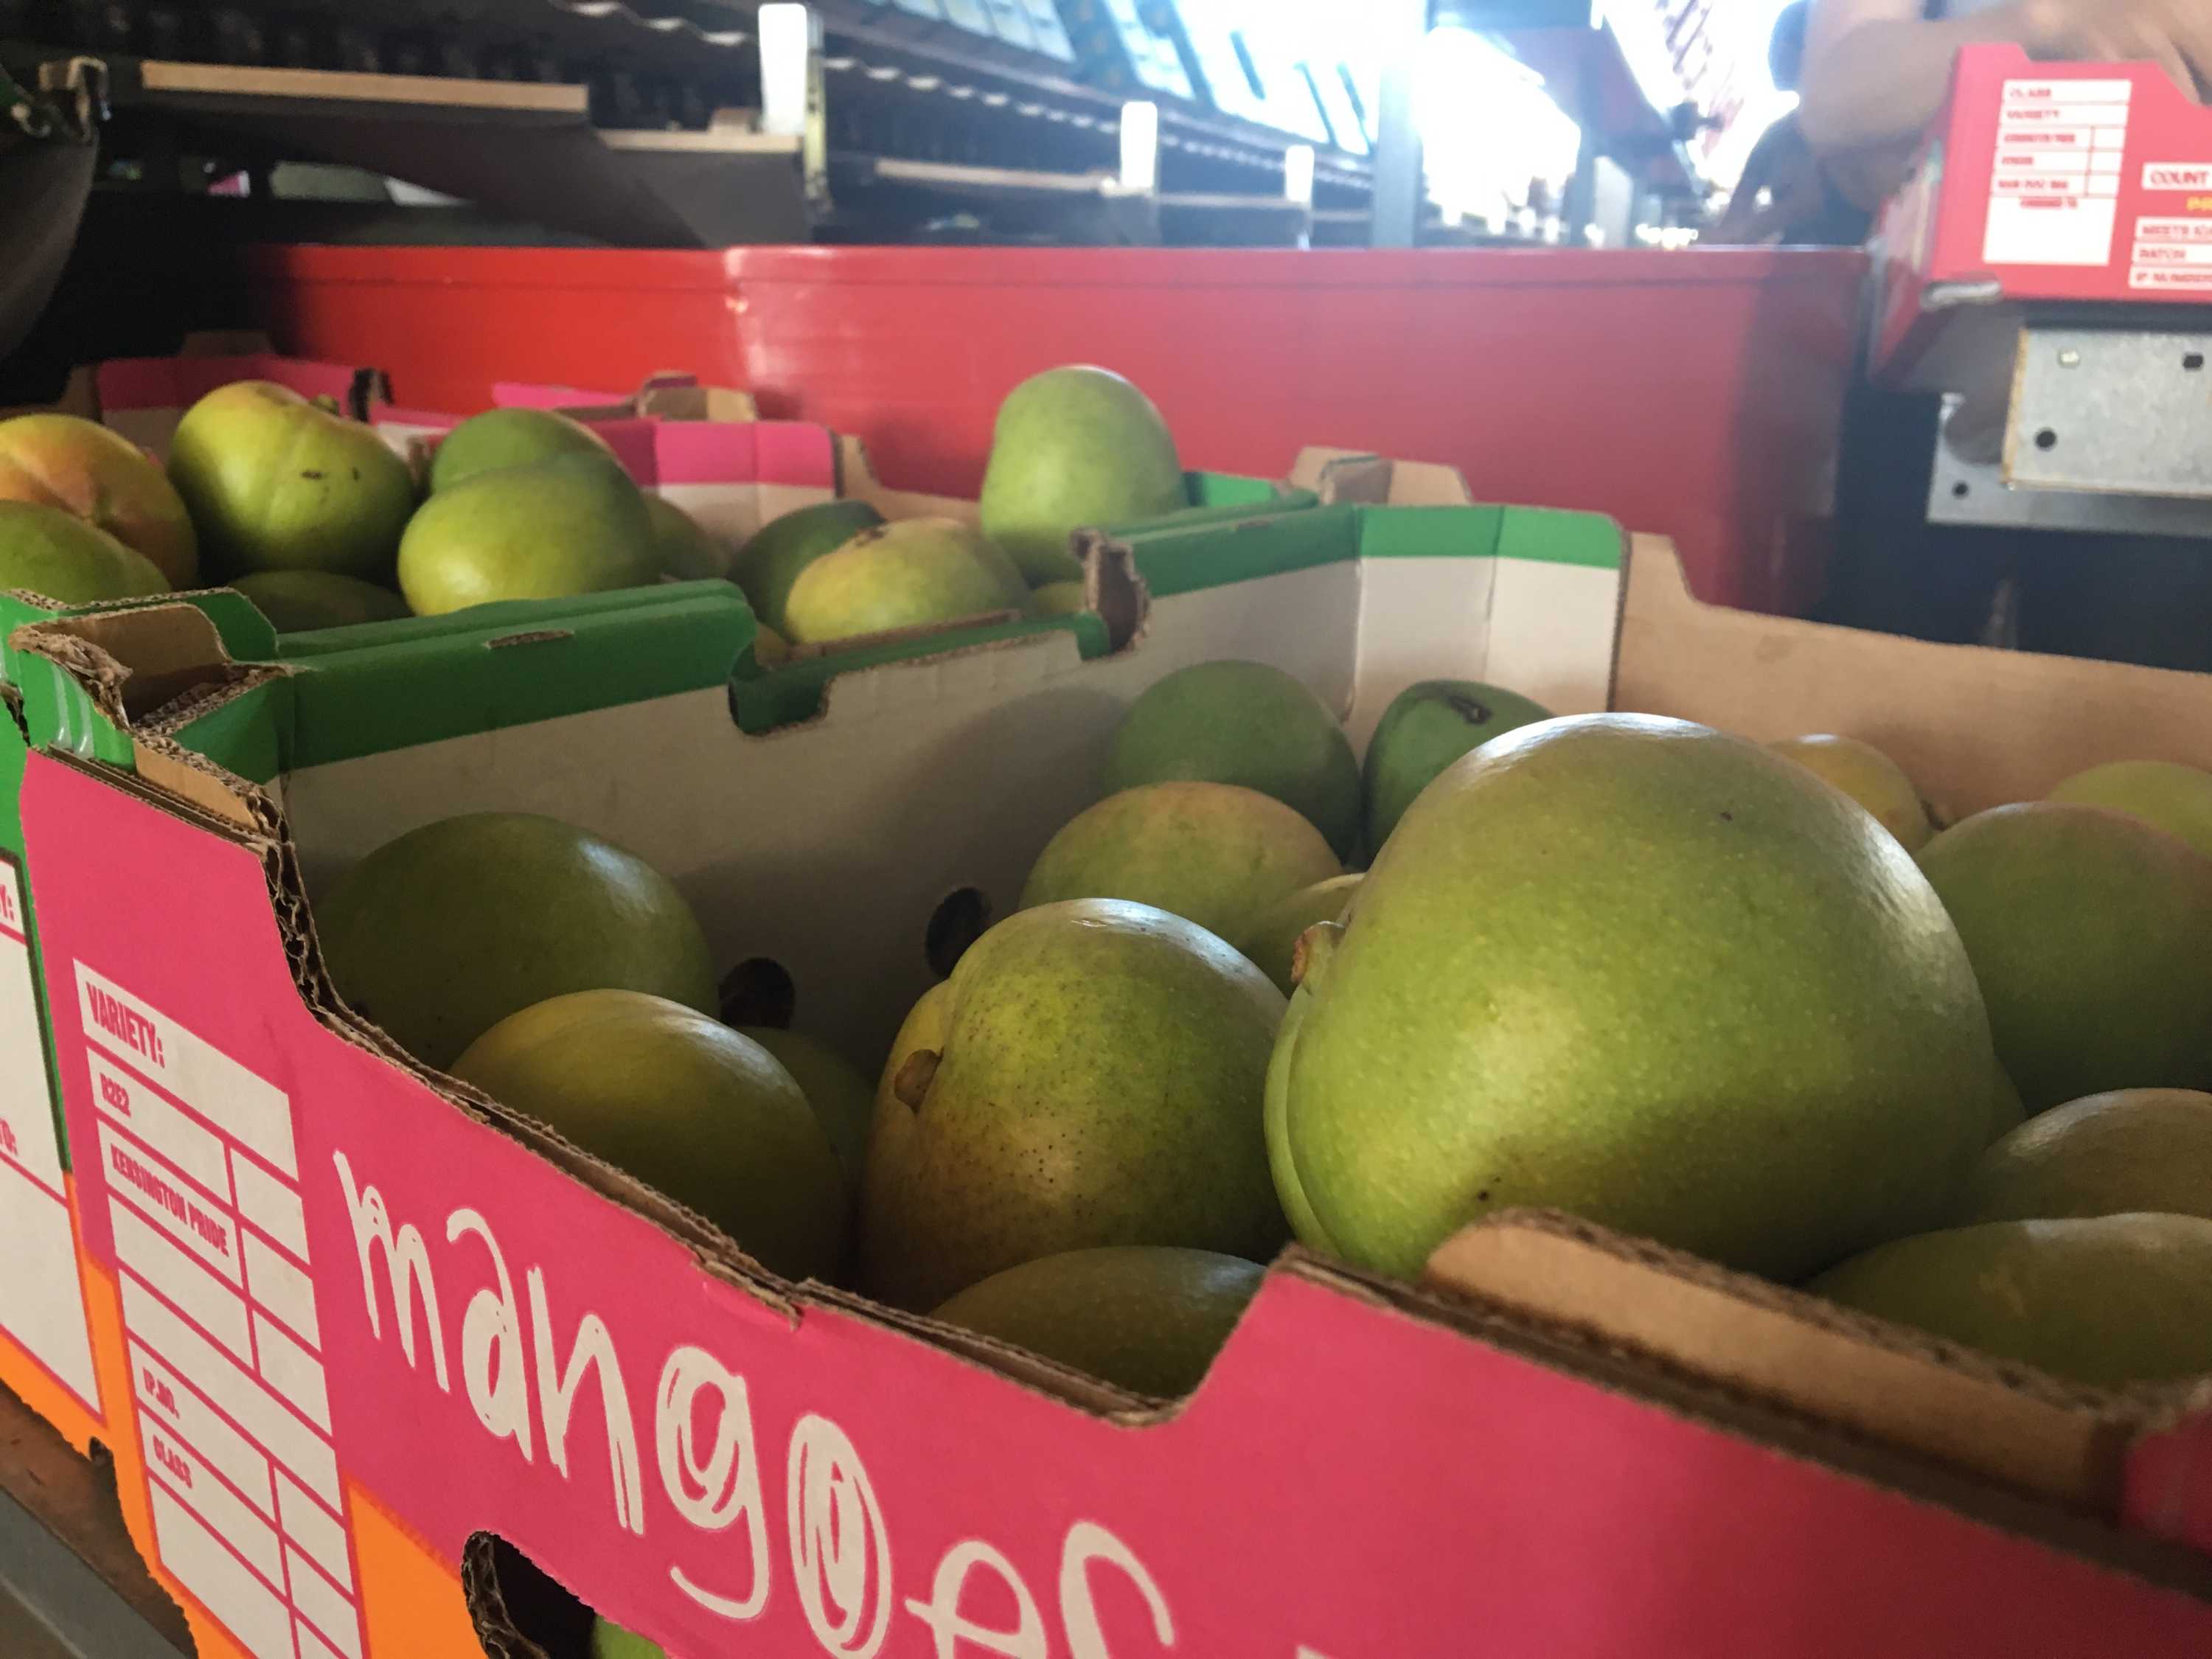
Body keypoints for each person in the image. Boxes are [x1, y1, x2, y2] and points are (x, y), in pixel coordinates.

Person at [1796, 0, 2212, 669]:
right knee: (1881, 688)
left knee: (2144, 712)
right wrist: (2053, 24)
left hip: (2175, 410)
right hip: (1937, 361)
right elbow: (1834, 98)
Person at [1708, 4, 1873, 245]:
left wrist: (1752, 227)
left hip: (1854, 261)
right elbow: (1733, 221)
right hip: (1797, 265)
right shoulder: (1776, 136)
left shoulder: (1858, 121)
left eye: (1780, 44)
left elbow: (1811, 201)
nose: (1772, 56)